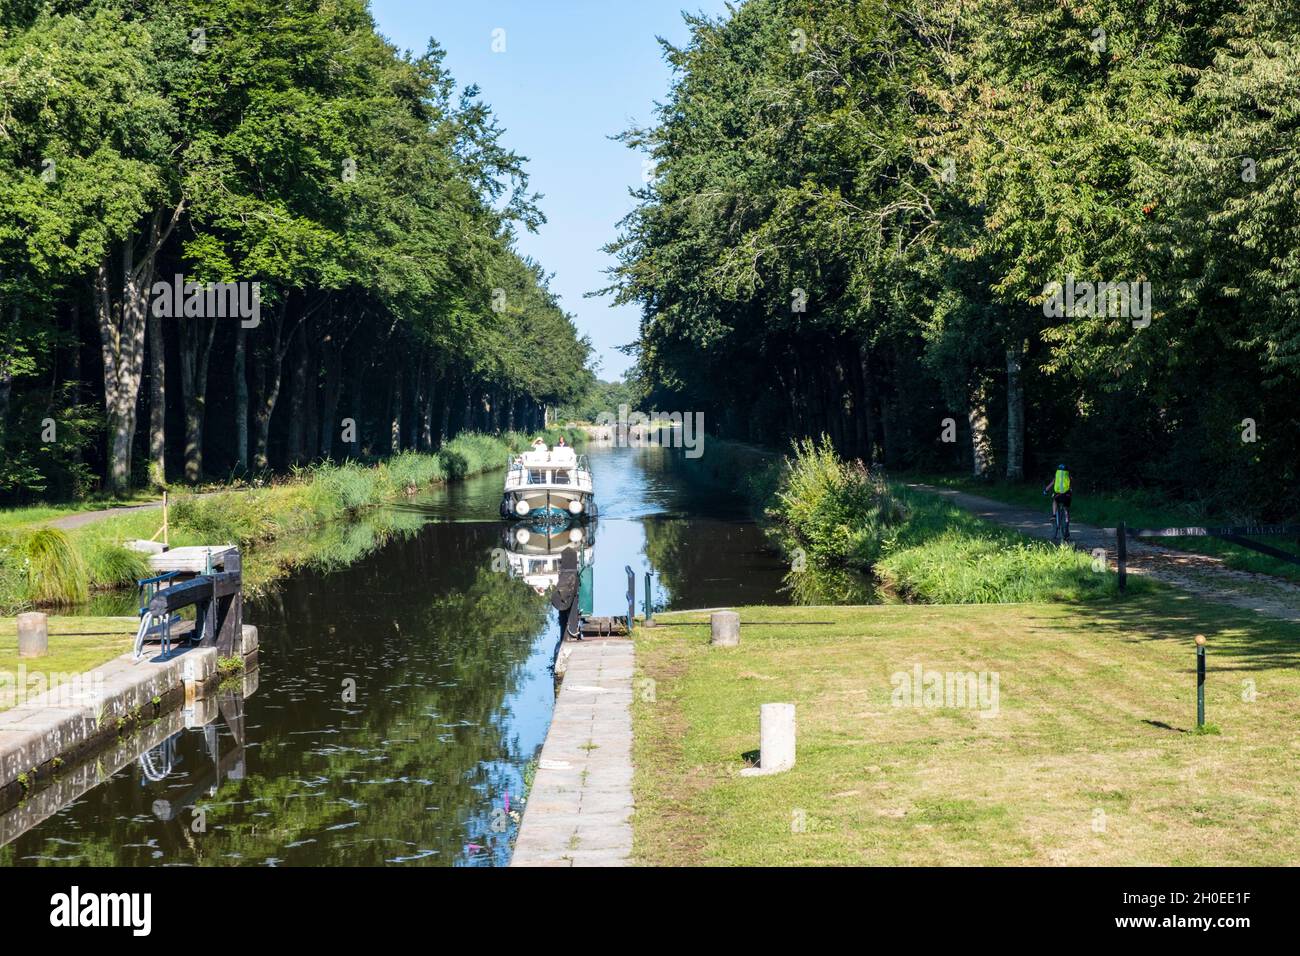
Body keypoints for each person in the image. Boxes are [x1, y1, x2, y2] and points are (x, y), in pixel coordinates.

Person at [1043, 463, 1072, 541]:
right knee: (1066, 509)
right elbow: (1071, 484)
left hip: (1058, 496)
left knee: (1054, 500)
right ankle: (1066, 524)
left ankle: (1054, 515)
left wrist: (1045, 490)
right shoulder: (1068, 476)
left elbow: (1051, 484)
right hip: (1067, 496)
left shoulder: (1057, 476)